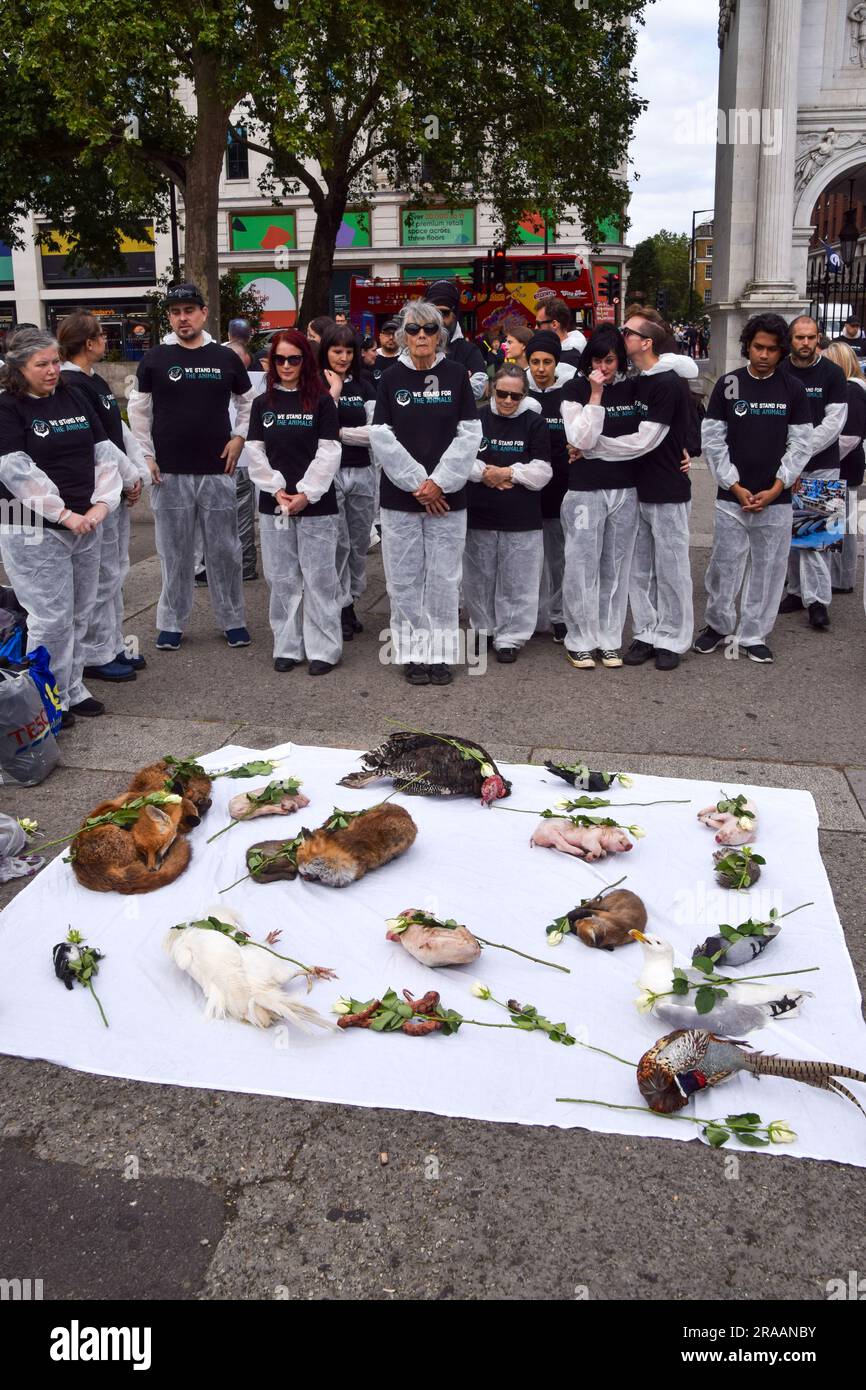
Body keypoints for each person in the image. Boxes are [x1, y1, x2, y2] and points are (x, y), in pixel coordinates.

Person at [0, 328, 127, 725]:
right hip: (32, 528)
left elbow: (103, 451)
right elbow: (15, 471)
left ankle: (71, 687)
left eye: (56, 361)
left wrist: (102, 502)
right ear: (19, 368)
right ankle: (45, 697)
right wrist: (64, 513)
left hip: (85, 524)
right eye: (43, 364)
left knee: (80, 611)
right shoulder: (8, 408)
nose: (54, 370)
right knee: (49, 617)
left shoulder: (72, 395)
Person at [127, 282, 255, 651]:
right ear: (169, 317)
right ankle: (171, 622)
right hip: (169, 472)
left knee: (225, 551)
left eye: (188, 311)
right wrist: (146, 456)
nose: (182, 318)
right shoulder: (155, 358)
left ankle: (232, 619)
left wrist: (239, 437)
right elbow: (138, 411)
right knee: (174, 552)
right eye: (175, 312)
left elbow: (248, 404)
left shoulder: (226, 358)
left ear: (203, 314)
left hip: (218, 470)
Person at [369, 299, 481, 686]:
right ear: (402, 334)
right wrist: (419, 483)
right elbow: (381, 436)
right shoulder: (389, 378)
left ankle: (440, 654)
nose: (421, 336)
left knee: (444, 578)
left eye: (429, 329)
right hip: (403, 499)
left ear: (440, 335)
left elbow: (469, 435)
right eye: (413, 329)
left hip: (447, 499)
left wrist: (440, 482)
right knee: (404, 579)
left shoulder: (455, 376)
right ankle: (413, 652)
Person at [694, 313, 813, 664]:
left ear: (782, 352)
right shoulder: (729, 384)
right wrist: (734, 483)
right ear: (748, 346)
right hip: (733, 496)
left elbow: (801, 443)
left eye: (771, 350)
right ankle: (717, 625)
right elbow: (713, 441)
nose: (763, 355)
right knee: (725, 563)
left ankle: (753, 633)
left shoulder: (792, 388)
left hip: (776, 498)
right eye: (758, 347)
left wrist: (779, 485)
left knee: (769, 567)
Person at [580, 316, 694, 669]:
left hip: (668, 486)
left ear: (646, 342)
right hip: (634, 486)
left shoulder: (669, 384)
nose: (622, 335)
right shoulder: (638, 381)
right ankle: (646, 633)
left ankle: (673, 638)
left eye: (629, 332)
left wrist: (593, 448)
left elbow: (645, 440)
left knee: (672, 567)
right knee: (639, 567)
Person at [58, 312, 150, 684]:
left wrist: (136, 472)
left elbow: (119, 430)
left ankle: (111, 643)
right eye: (101, 335)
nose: (105, 341)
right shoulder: (73, 384)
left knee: (113, 572)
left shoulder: (92, 382)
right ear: (88, 342)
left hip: (112, 487)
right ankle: (97, 653)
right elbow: (100, 444)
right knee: (99, 577)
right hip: (98, 491)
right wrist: (130, 477)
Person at [245, 330, 342, 675]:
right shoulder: (262, 403)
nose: (286, 365)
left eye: (294, 359)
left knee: (319, 578)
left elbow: (329, 450)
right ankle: (287, 645)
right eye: (280, 359)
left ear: (306, 361)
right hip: (277, 504)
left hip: (316, 503)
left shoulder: (322, 401)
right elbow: (254, 452)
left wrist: (306, 492)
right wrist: (276, 490)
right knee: (282, 577)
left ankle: (324, 649)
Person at [559, 324, 640, 668]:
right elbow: (581, 438)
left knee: (616, 566)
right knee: (581, 565)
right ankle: (579, 638)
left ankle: (609, 638)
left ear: (621, 360)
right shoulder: (575, 388)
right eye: (597, 360)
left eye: (610, 360)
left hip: (625, 488)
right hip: (584, 489)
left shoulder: (634, 390)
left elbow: (643, 441)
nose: (603, 367)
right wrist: (595, 395)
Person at [462, 365, 551, 662]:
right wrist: (487, 474)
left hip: (520, 516)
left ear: (524, 395)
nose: (508, 401)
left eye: (516, 395)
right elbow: (460, 458)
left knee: (518, 579)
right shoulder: (475, 418)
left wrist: (508, 472)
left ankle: (510, 636)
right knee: (478, 577)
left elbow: (542, 471)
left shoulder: (535, 423)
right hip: (480, 512)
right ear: (491, 390)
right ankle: (482, 629)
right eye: (502, 394)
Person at [778, 315, 848, 630]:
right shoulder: (780, 371)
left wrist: (802, 451)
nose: (805, 343)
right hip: (785, 466)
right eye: (799, 338)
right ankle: (795, 590)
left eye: (810, 337)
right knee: (790, 534)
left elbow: (834, 423)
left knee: (817, 536)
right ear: (790, 340)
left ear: (818, 338)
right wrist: (790, 460)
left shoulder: (833, 373)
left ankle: (818, 602)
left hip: (822, 464)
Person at [318, 323, 377, 640]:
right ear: (325, 351)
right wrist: (334, 395)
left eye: (348, 351)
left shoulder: (366, 386)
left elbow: (376, 434)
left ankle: (350, 599)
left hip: (363, 474)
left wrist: (339, 434)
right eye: (336, 351)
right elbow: (316, 428)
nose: (342, 357)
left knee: (357, 544)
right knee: (336, 544)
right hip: (330, 475)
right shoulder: (316, 386)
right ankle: (339, 606)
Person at [525, 330, 575, 643]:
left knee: (558, 556)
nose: (541, 368)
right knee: (528, 558)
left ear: (556, 363)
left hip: (561, 486)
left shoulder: (567, 394)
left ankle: (558, 615)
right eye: (535, 362)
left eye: (547, 362)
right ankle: (530, 615)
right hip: (528, 489)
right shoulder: (516, 393)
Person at [822, 339, 866, 594]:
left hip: (844, 465)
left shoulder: (851, 391)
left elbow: (849, 436)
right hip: (846, 464)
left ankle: (842, 577)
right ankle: (837, 575)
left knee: (844, 526)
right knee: (839, 523)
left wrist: (823, 457)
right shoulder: (853, 389)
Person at [423, 280, 488, 400]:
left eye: (443, 313)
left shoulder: (470, 350)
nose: (438, 320)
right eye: (433, 313)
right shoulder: (412, 348)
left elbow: (479, 390)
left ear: (455, 314)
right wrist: (460, 383)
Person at [534, 297, 586, 366]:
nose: (536, 327)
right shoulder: (575, 347)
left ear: (554, 324)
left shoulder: (566, 359)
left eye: (538, 324)